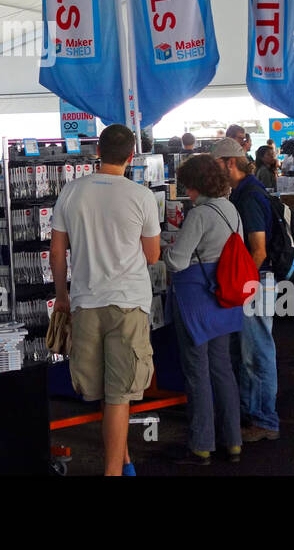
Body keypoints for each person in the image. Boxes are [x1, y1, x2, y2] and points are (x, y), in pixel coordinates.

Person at [50, 123, 161, 476]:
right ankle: (114, 472)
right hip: (128, 302)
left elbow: (57, 251)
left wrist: (61, 295)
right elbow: (153, 256)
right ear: (131, 156)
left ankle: (124, 462)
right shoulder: (140, 196)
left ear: (97, 152)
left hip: (85, 300)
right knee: (119, 395)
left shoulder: (71, 191)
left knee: (102, 392)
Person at [163, 154, 244, 465]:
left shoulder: (199, 214)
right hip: (224, 297)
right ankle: (233, 441)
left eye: (189, 187)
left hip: (196, 298)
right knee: (222, 368)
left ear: (197, 185)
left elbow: (178, 261)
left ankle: (201, 445)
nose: (188, 193)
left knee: (197, 372)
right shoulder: (230, 208)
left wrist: (163, 250)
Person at [217, 137, 280, 443]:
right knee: (250, 353)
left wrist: (239, 286)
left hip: (255, 283)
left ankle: (265, 419)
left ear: (230, 163)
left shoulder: (249, 195)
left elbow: (259, 250)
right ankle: (254, 415)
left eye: (217, 165)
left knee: (256, 354)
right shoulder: (247, 190)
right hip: (256, 282)